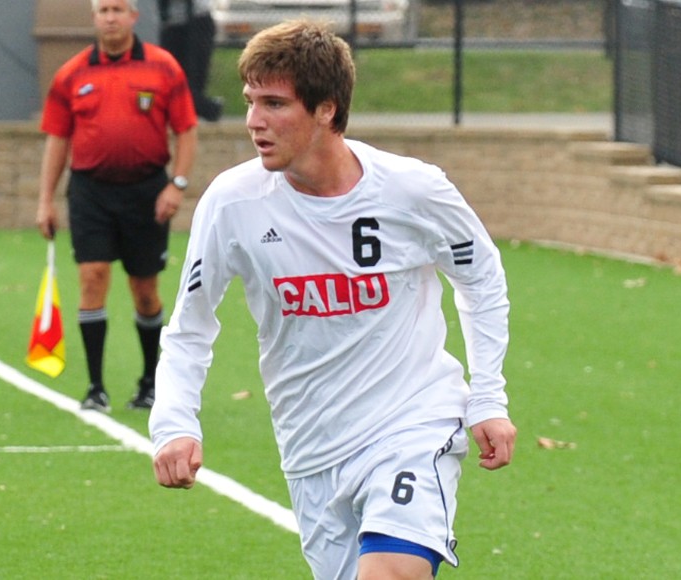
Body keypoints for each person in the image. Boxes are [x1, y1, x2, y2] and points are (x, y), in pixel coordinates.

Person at [149, 19, 516, 580]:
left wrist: (488, 397)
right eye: (251, 101)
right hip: (311, 448)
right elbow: (190, 326)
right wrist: (175, 421)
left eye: (275, 103)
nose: (254, 121)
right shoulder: (232, 203)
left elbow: (482, 276)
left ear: (327, 109)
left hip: (412, 423)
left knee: (391, 572)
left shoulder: (412, 190)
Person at [36, 0, 198, 413]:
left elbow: (186, 130)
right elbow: (57, 139)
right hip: (90, 192)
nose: (110, 17)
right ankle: (95, 387)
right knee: (92, 278)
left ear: (133, 17)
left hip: (147, 192)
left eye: (118, 9)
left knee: (145, 290)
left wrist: (176, 186)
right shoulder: (72, 74)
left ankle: (150, 383)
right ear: (94, 18)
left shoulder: (163, 67)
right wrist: (46, 200)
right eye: (103, 9)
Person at [155, 0, 223, 121]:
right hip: (173, 23)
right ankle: (204, 107)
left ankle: (202, 107)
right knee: (170, 76)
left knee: (195, 75)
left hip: (197, 21)